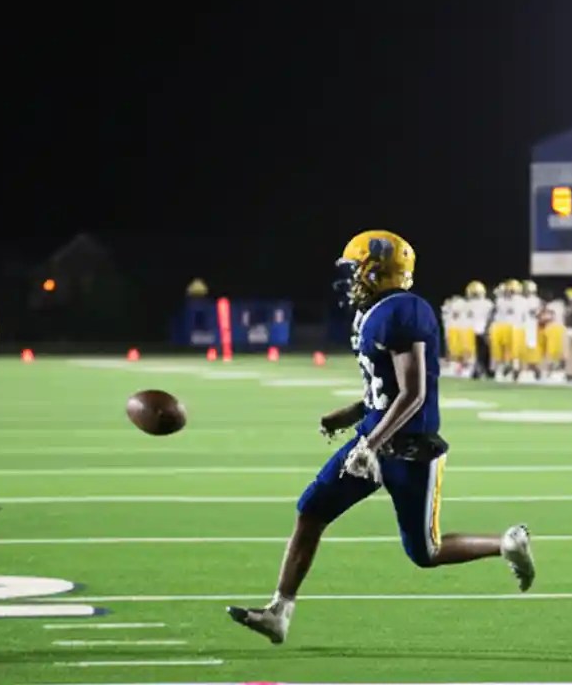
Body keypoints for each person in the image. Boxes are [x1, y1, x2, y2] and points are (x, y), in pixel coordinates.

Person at [227, 230, 535, 645]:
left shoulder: (403, 311)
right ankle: (279, 612)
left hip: (408, 451)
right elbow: (386, 387)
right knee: (311, 511)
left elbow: (414, 392)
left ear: (378, 270)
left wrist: (369, 446)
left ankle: (505, 544)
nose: (351, 279)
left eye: (357, 270)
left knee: (424, 553)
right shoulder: (374, 313)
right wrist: (354, 412)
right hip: (373, 438)